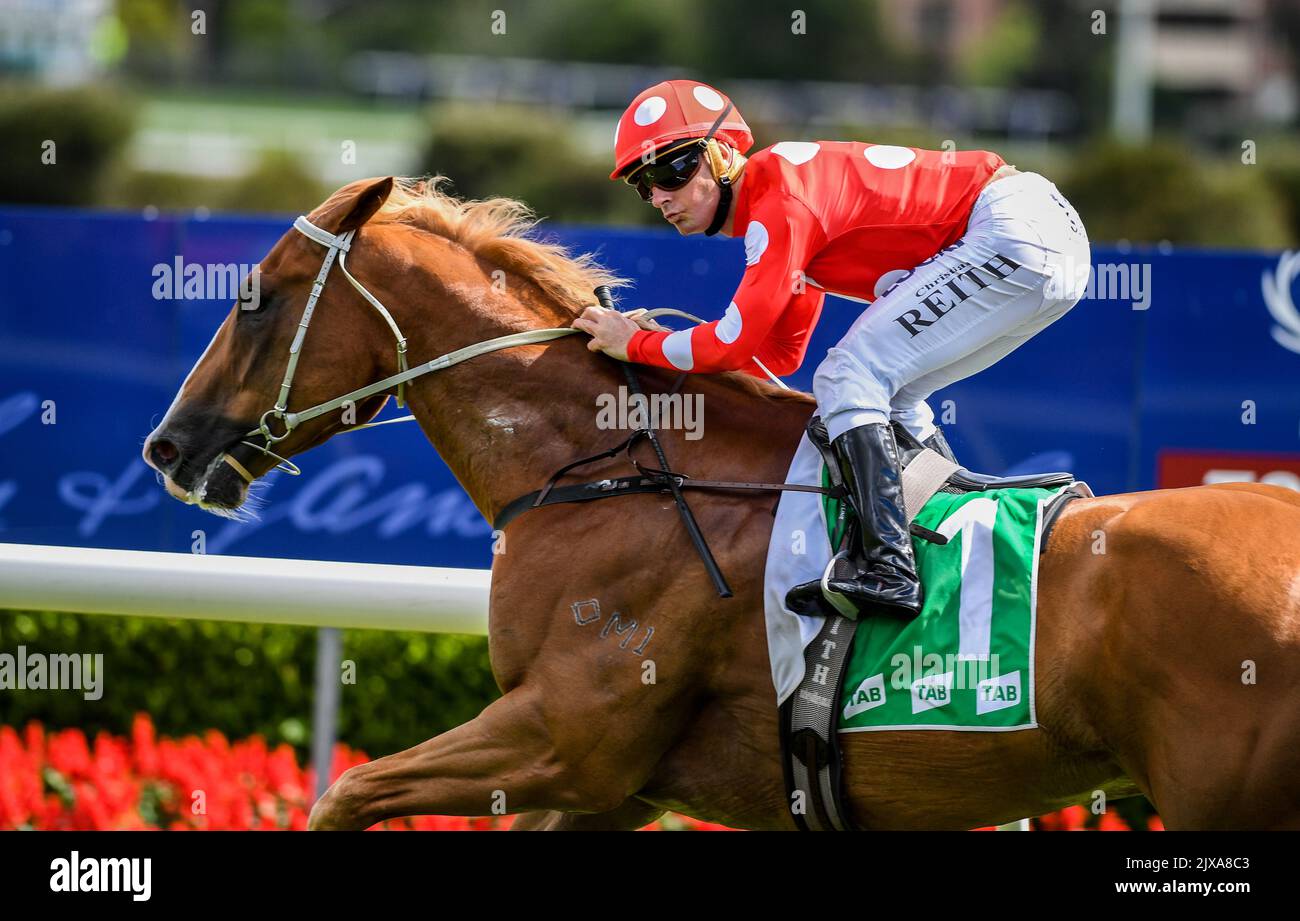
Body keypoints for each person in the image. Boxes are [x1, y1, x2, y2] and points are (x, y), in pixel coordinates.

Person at [573, 79, 1090, 619]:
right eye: (643, 184)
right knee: (885, 395)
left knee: (849, 375)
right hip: (1042, 240)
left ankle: (890, 567)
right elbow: (778, 356)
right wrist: (652, 347)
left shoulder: (779, 199)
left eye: (670, 171)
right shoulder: (775, 206)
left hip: (1014, 231)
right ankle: (941, 542)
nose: (659, 196)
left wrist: (636, 343)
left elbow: (732, 343)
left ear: (724, 152)